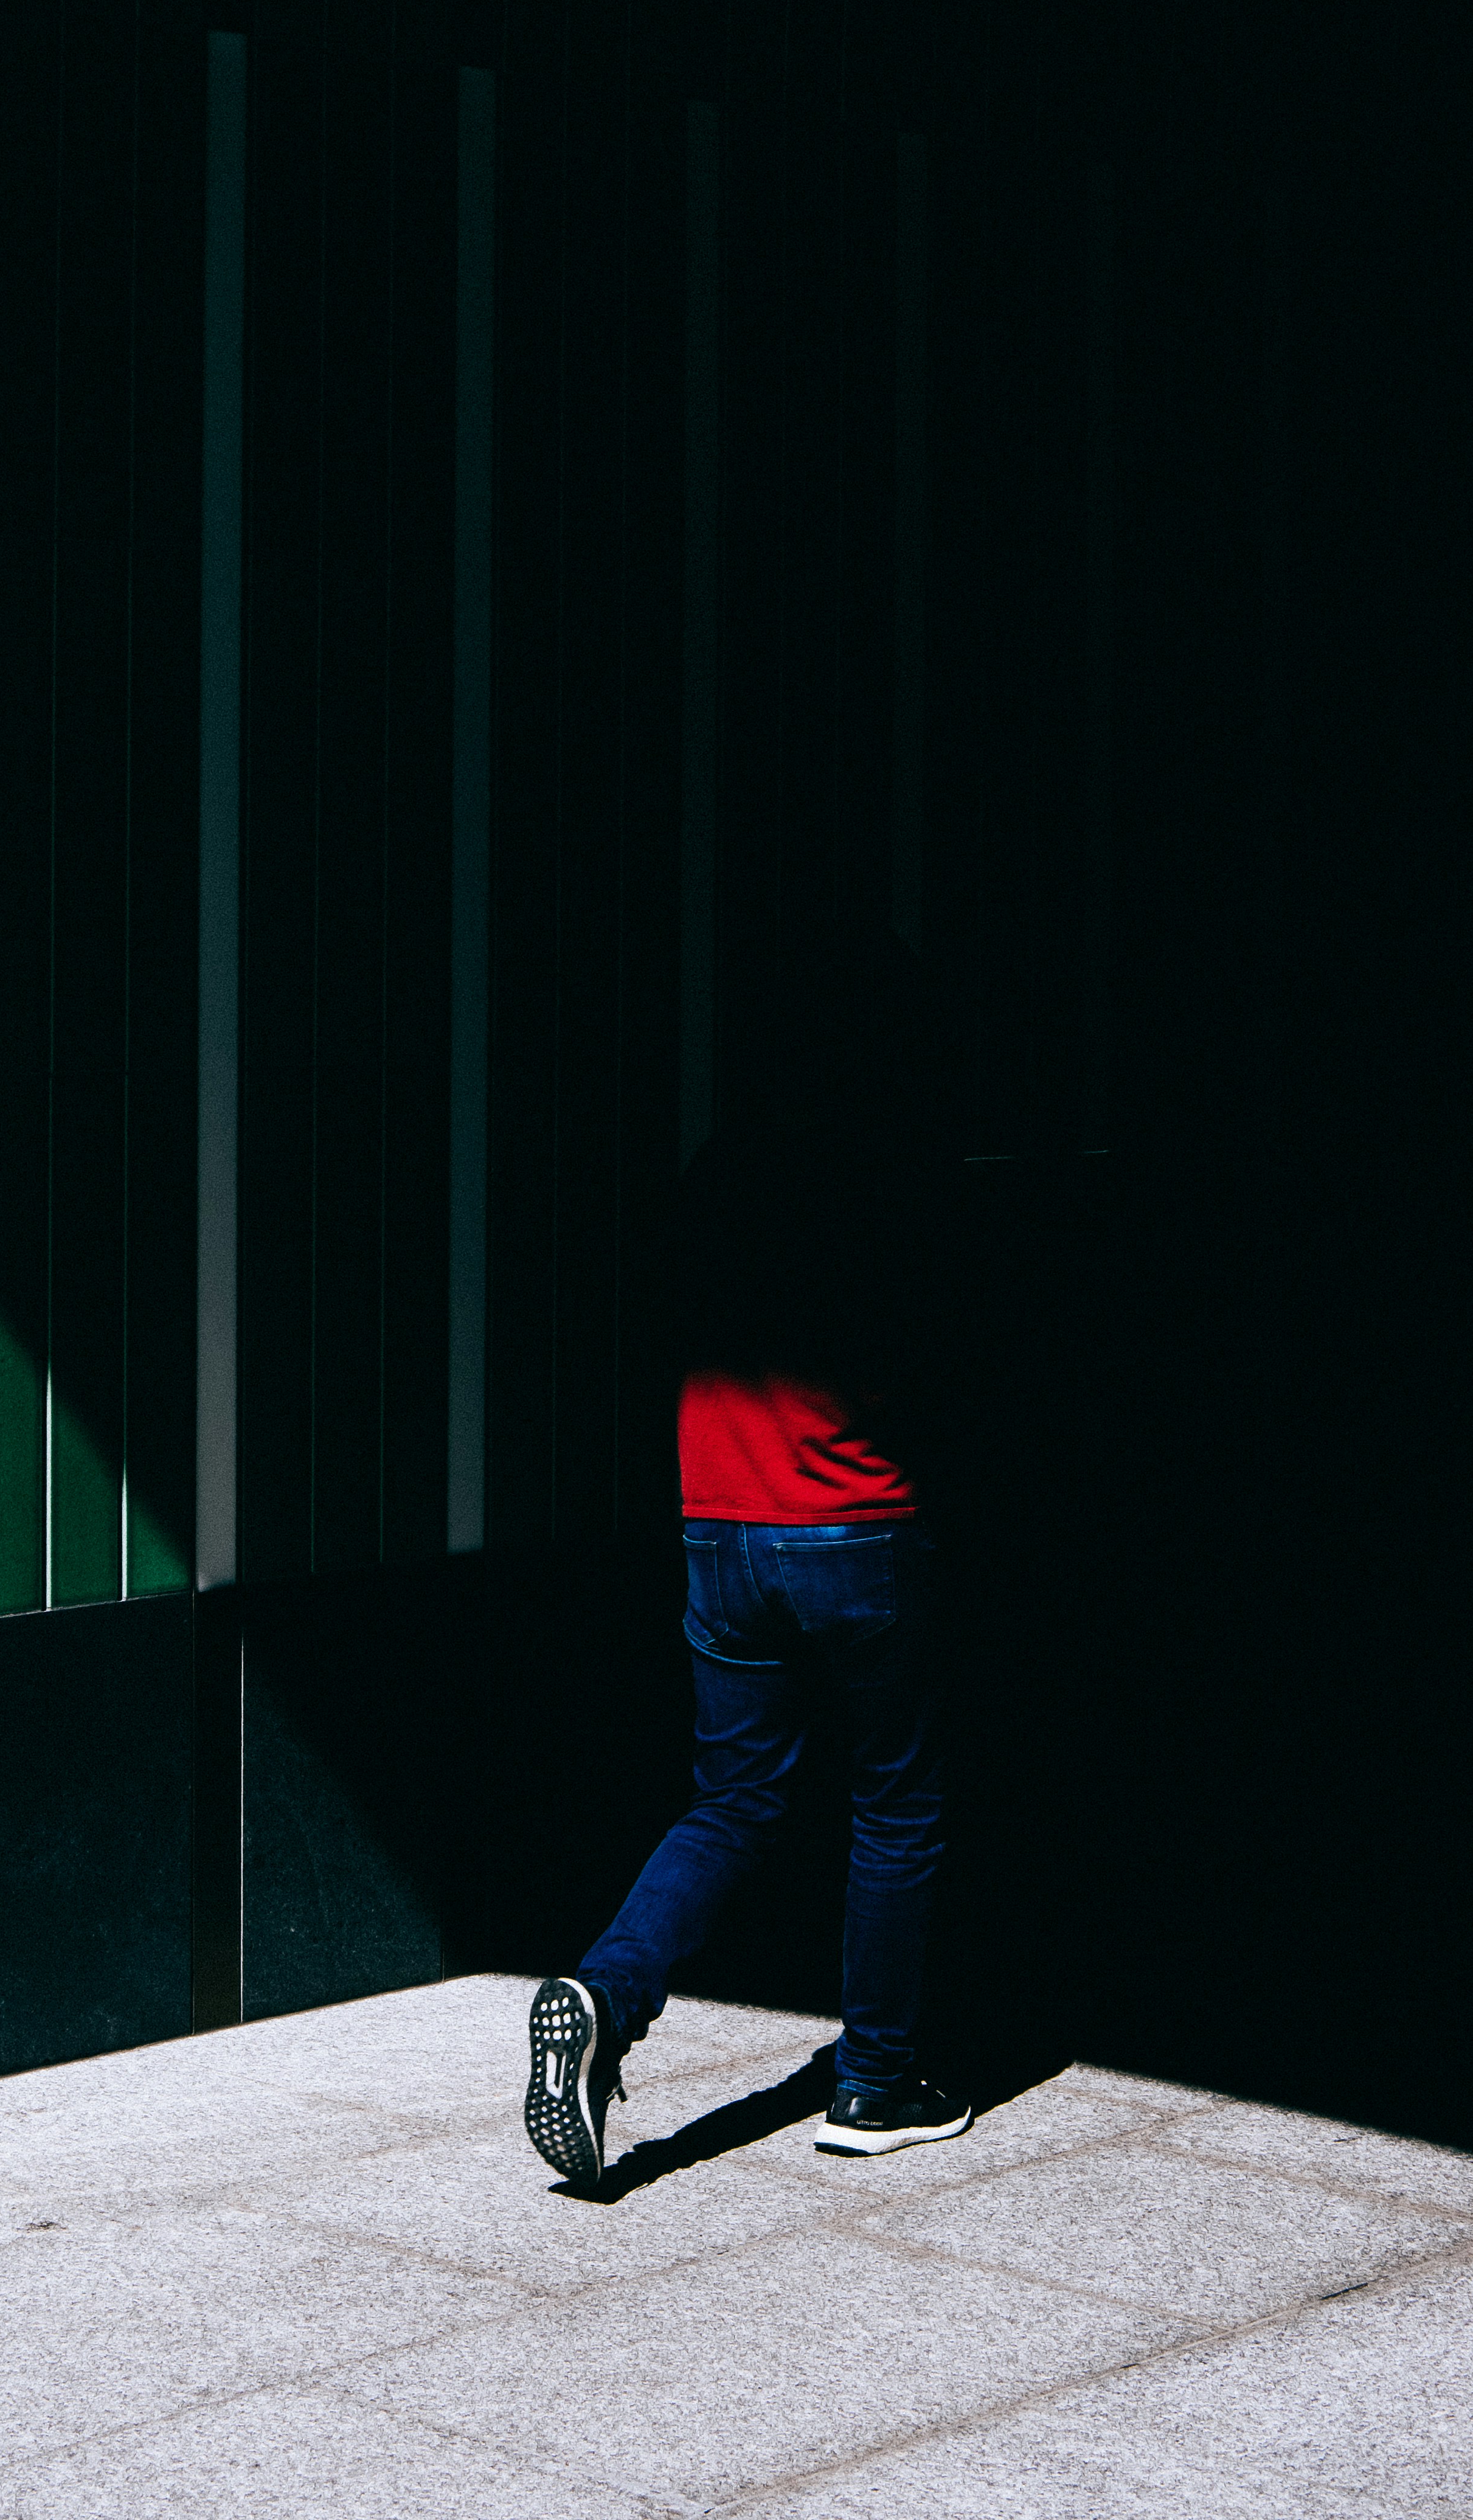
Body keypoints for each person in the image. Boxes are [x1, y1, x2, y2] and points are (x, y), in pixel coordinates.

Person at [523, 923, 968, 2187]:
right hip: (857, 1523)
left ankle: (608, 1992)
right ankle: (874, 2084)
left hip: (718, 1523)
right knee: (893, 1804)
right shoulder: (891, 1170)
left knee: (731, 1797)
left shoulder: (717, 1169)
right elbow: (933, 1357)